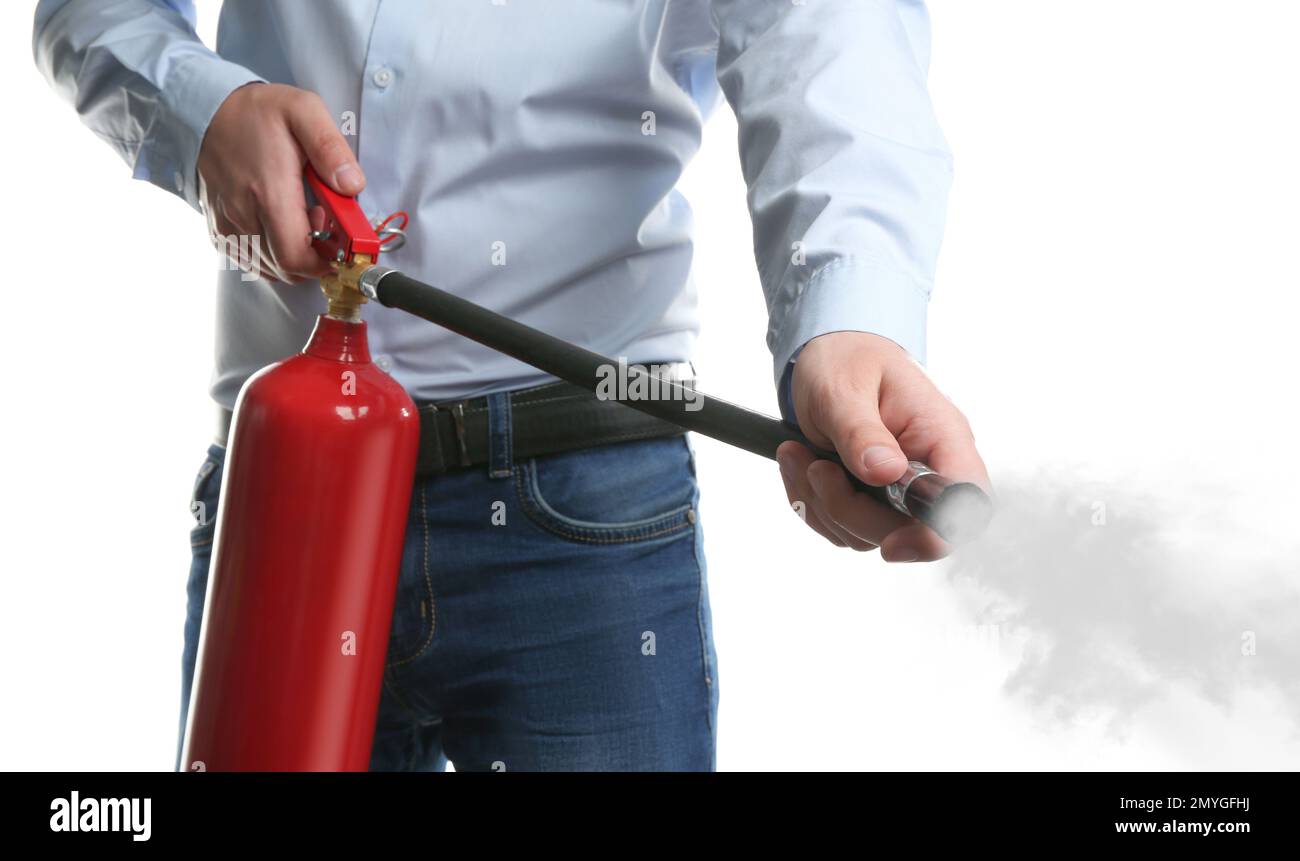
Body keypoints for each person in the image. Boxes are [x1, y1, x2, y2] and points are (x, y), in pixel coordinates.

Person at [34, 0, 990, 772]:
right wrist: (202, 110)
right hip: (284, 500)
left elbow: (828, 30)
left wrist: (848, 322)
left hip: (584, 512)